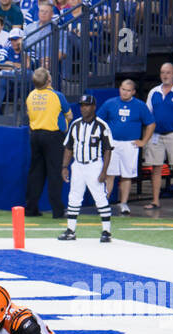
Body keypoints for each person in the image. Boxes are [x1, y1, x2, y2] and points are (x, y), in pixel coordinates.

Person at [56, 93, 113, 242]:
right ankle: (70, 230)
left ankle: (106, 231)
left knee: (100, 197)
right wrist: (64, 167)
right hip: (78, 165)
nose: (84, 109)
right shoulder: (75, 125)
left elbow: (108, 149)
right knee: (74, 197)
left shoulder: (101, 125)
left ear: (94, 107)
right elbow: (69, 147)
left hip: (94, 164)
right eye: (82, 106)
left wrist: (104, 171)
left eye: (87, 105)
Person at [96, 78, 153, 215]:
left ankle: (124, 203)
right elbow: (98, 120)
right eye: (123, 89)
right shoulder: (110, 103)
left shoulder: (140, 105)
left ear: (133, 92)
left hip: (130, 144)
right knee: (109, 174)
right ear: (119, 89)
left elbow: (151, 123)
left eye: (128, 90)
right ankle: (105, 203)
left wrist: (144, 141)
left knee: (127, 175)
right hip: (113, 143)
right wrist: (102, 139)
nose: (125, 93)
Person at [143, 62, 173, 211]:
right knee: (156, 168)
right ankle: (155, 201)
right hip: (156, 135)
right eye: (163, 72)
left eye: (168, 72)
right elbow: (147, 115)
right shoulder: (154, 92)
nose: (165, 75)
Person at [23, 66, 69, 219]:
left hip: (35, 134)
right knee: (54, 173)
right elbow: (69, 115)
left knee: (35, 173)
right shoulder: (57, 96)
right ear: (49, 80)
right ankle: (57, 210)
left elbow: (28, 114)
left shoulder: (30, 96)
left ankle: (30, 208)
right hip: (53, 135)